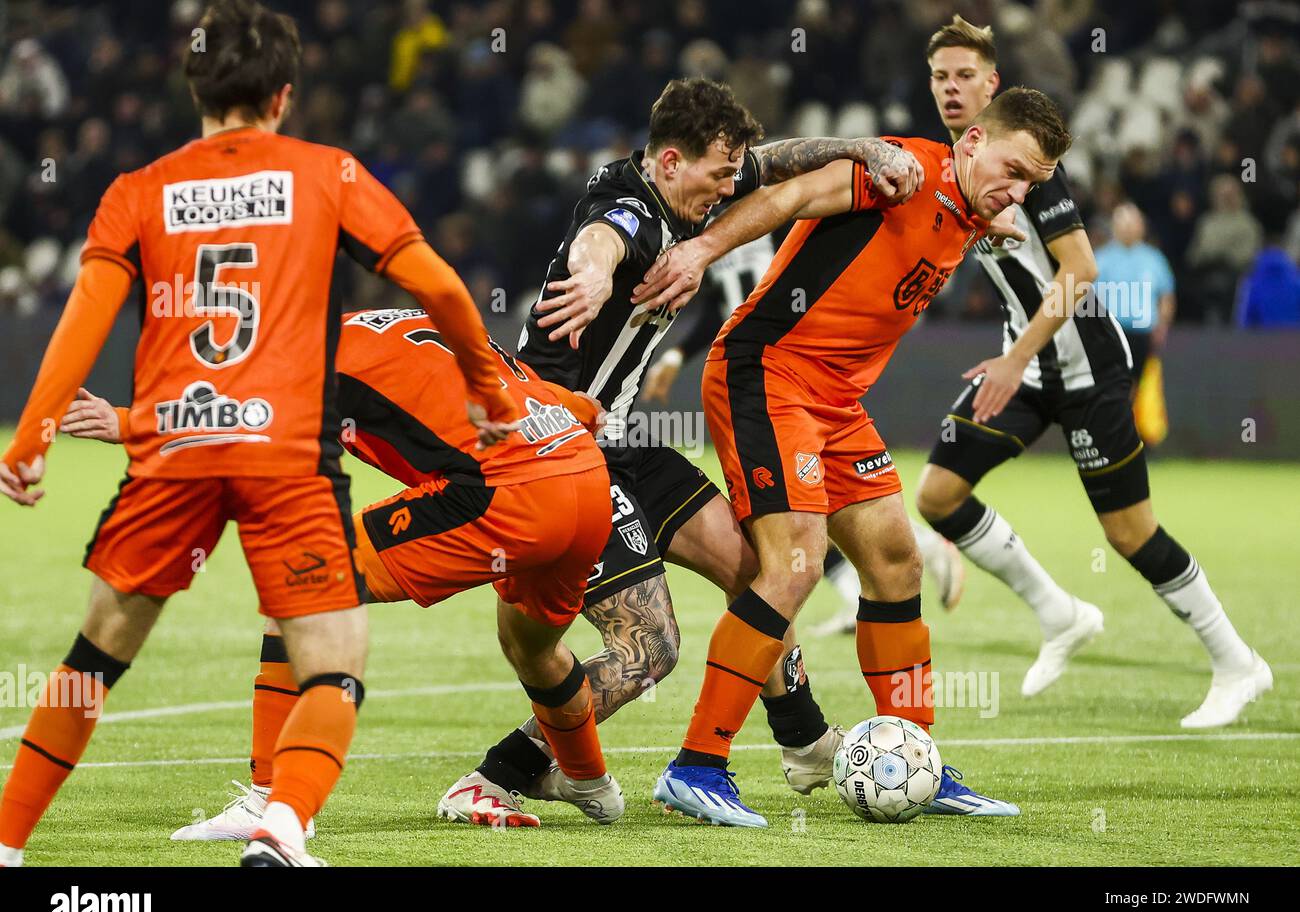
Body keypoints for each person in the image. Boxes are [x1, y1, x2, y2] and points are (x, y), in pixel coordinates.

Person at [0, 0, 514, 868]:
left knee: (94, 654)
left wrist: (30, 439)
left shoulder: (138, 192)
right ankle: (282, 826)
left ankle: (9, 844)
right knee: (335, 663)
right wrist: (485, 386)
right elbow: (444, 289)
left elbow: (81, 324)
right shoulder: (328, 174)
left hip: (173, 452)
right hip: (287, 457)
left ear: (193, 84)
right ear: (282, 96)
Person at [434, 77, 933, 825]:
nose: (730, 188)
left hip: (625, 437)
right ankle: (501, 773)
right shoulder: (629, 211)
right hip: (561, 449)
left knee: (762, 576)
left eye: (733, 174)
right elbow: (601, 240)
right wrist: (594, 275)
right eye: (718, 175)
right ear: (670, 161)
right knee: (651, 649)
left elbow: (780, 160)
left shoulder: (686, 192)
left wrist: (861, 148)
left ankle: (802, 740)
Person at [631, 85, 1059, 826]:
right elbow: (791, 195)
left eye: (1033, 184)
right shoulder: (904, 174)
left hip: (834, 399)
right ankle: (697, 765)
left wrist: (990, 219)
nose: (1018, 192)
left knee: (896, 559)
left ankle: (916, 758)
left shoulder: (971, 210)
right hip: (766, 370)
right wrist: (700, 248)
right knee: (795, 564)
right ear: (970, 142)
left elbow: (956, 220)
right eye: (1013, 170)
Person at [62, 308, 622, 838]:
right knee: (532, 645)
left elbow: (242, 418)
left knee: (301, 576)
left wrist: (124, 420)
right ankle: (586, 778)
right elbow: (561, 402)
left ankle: (271, 800)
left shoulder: (318, 351)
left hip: (508, 495)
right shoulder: (405, 319)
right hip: (584, 480)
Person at [912, 16, 1269, 726]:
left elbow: (1080, 269)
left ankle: (1237, 662)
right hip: (1024, 365)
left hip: (1088, 370)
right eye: (940, 77)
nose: (952, 89)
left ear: (994, 84)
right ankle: (1061, 613)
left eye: (965, 76)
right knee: (938, 495)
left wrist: (1015, 359)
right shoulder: (953, 164)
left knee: (1130, 534)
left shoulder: (1029, 160)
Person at [641, 231, 966, 636]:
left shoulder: (773, 203)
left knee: (796, 513)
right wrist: (676, 354)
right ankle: (863, 587)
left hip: (792, 367)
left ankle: (921, 546)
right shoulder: (715, 221)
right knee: (797, 514)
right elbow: (722, 301)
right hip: (753, 368)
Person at [1093, 203, 1175, 390]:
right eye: (1123, 222)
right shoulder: (1101, 258)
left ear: (1142, 226)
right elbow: (1090, 297)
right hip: (1111, 333)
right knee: (1111, 382)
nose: (1128, 227)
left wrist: (1162, 325)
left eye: (1132, 222)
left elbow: (1166, 295)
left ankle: (1131, 417)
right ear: (1114, 226)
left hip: (1142, 334)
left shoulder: (1154, 258)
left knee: (1138, 385)